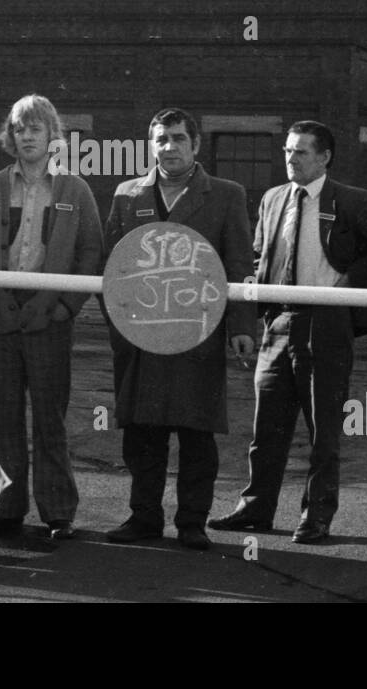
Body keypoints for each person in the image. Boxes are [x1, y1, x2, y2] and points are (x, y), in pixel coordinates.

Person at [209, 121, 367, 543]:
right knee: (266, 429)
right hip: (278, 323)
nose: (291, 159)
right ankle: (255, 509)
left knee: (323, 430)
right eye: (288, 152)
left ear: (324, 157)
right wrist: (249, 315)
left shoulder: (352, 201)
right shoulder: (274, 199)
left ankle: (316, 517)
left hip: (327, 323)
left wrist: (350, 287)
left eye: (301, 153)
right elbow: (259, 255)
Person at [0, 95, 102, 541]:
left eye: (35, 129)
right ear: (9, 137)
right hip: (0, 316)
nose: (26, 136)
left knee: (51, 417)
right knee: (3, 415)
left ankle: (58, 514)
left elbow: (91, 253)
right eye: (18, 129)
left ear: (52, 136)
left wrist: (67, 307)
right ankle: (5, 509)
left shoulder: (75, 189)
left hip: (51, 318)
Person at [102, 108, 256, 551]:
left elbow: (239, 265)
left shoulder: (225, 195)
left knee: (196, 435)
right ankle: (143, 517)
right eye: (160, 139)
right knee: (142, 434)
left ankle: (192, 522)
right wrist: (121, 330)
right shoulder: (127, 195)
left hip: (198, 332)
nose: (168, 147)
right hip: (141, 339)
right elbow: (111, 268)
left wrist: (241, 326)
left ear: (195, 145)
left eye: (177, 139)